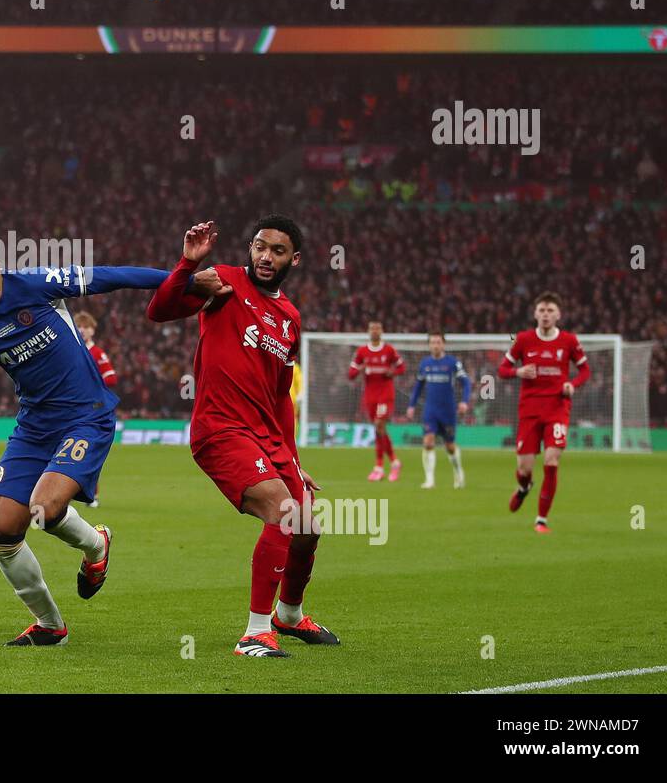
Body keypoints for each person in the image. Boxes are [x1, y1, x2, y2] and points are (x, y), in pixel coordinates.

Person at [0, 230, 222, 647]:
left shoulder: (36, 285)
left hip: (84, 416)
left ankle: (96, 546)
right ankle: (50, 625)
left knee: (44, 506)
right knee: (2, 531)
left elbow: (110, 276)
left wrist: (182, 276)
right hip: (34, 425)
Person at [147, 217, 339, 658]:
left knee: (308, 526)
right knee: (282, 511)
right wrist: (186, 264)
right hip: (220, 428)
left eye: (276, 250)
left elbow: (280, 397)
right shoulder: (224, 282)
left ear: (295, 259)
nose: (265, 257)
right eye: (259, 247)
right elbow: (159, 310)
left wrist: (292, 459)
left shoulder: (290, 318)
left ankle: (288, 616)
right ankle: (254, 633)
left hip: (266, 435)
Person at [498, 292, 590, 534]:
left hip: (557, 409)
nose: (546, 315)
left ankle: (541, 519)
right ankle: (524, 488)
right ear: (535, 314)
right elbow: (502, 368)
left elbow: (584, 371)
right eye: (542, 310)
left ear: (558, 314)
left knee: (551, 461)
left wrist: (573, 384)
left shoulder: (569, 341)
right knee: (524, 469)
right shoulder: (523, 340)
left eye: (550, 311)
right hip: (529, 411)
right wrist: (518, 372)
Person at [405, 332, 469, 489]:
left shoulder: (453, 363)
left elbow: (466, 383)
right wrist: (411, 405)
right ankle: (429, 480)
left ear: (443, 344)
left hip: (448, 411)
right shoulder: (424, 364)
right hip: (430, 411)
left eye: (438, 342)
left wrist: (464, 402)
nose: (435, 345)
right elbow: (418, 386)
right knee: (428, 442)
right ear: (429, 345)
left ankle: (458, 472)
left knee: (450, 446)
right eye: (432, 342)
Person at [348, 320, 405, 481]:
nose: (375, 331)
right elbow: (351, 374)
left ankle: (380, 465)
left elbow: (402, 367)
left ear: (382, 331)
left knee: (380, 425)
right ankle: (392, 463)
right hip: (370, 396)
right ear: (368, 331)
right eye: (372, 328)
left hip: (386, 394)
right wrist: (360, 369)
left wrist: (391, 372)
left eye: (377, 328)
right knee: (379, 430)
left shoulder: (389, 350)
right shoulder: (362, 352)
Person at [73, 310, 115, 507]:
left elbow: (111, 377)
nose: (82, 330)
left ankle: (92, 495)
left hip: (92, 409)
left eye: (86, 327)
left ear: (93, 330)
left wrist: (93, 387)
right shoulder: (72, 349)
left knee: (88, 451)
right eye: (79, 326)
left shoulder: (97, 353)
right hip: (72, 407)